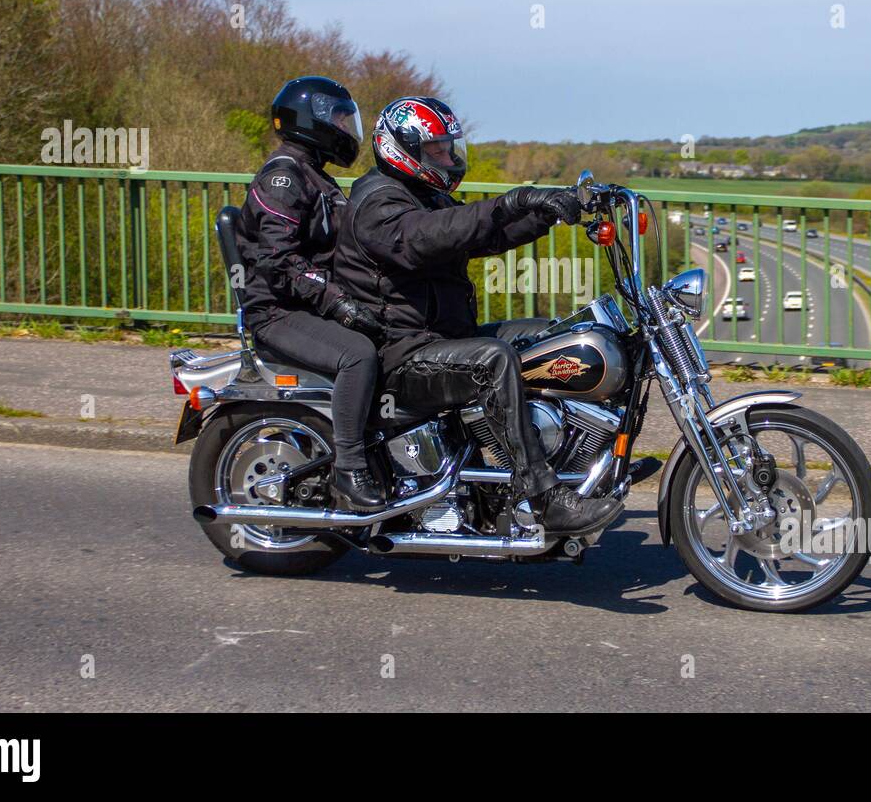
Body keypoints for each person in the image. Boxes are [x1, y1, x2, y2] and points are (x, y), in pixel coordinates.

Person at [333, 96, 620, 533]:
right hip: (401, 351)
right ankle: (542, 496)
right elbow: (430, 237)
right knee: (494, 359)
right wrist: (513, 199)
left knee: (552, 335)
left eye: (449, 148)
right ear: (402, 148)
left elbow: (481, 236)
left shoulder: (421, 194)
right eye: (436, 151)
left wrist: (549, 212)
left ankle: (587, 460)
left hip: (439, 337)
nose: (448, 158)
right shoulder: (378, 202)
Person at [236, 76, 385, 509]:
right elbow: (278, 260)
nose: (345, 127)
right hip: (277, 312)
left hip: (303, 305)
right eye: (339, 118)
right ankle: (349, 469)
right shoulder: (284, 177)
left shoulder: (315, 176)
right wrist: (338, 303)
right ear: (312, 119)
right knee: (357, 354)